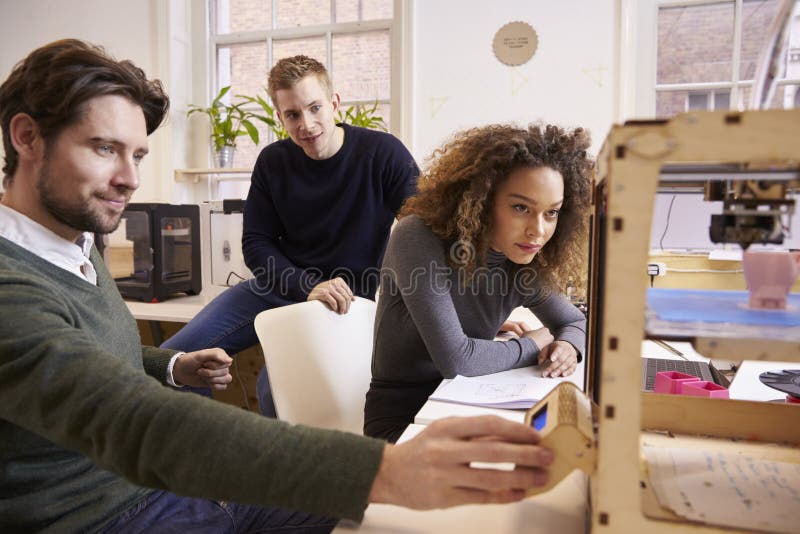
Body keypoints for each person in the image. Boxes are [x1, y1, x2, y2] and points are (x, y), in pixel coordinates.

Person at [0, 39, 558, 533]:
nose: (131, 179)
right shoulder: (15, 289)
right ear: (26, 138)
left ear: (335, 103)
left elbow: (438, 235)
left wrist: (168, 369)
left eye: (138, 153)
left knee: (238, 380)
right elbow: (135, 418)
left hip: (351, 294)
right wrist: (384, 470)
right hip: (123, 501)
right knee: (220, 362)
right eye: (105, 149)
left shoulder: (77, 245)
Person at [161, 55, 419, 414]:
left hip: (342, 299)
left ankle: (286, 467)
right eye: (293, 115)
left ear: (334, 103)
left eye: (315, 108)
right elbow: (256, 244)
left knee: (276, 389)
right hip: (280, 286)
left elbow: (425, 231)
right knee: (170, 362)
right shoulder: (272, 162)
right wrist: (304, 285)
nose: (307, 124)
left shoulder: (383, 154)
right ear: (280, 116)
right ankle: (205, 455)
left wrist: (460, 307)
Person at [364, 123, 592, 442]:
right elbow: (457, 361)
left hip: (469, 405)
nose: (537, 230)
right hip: (405, 422)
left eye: (551, 213)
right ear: (483, 199)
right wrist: (535, 343)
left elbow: (575, 320)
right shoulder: (417, 236)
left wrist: (567, 345)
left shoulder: (521, 260)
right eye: (520, 208)